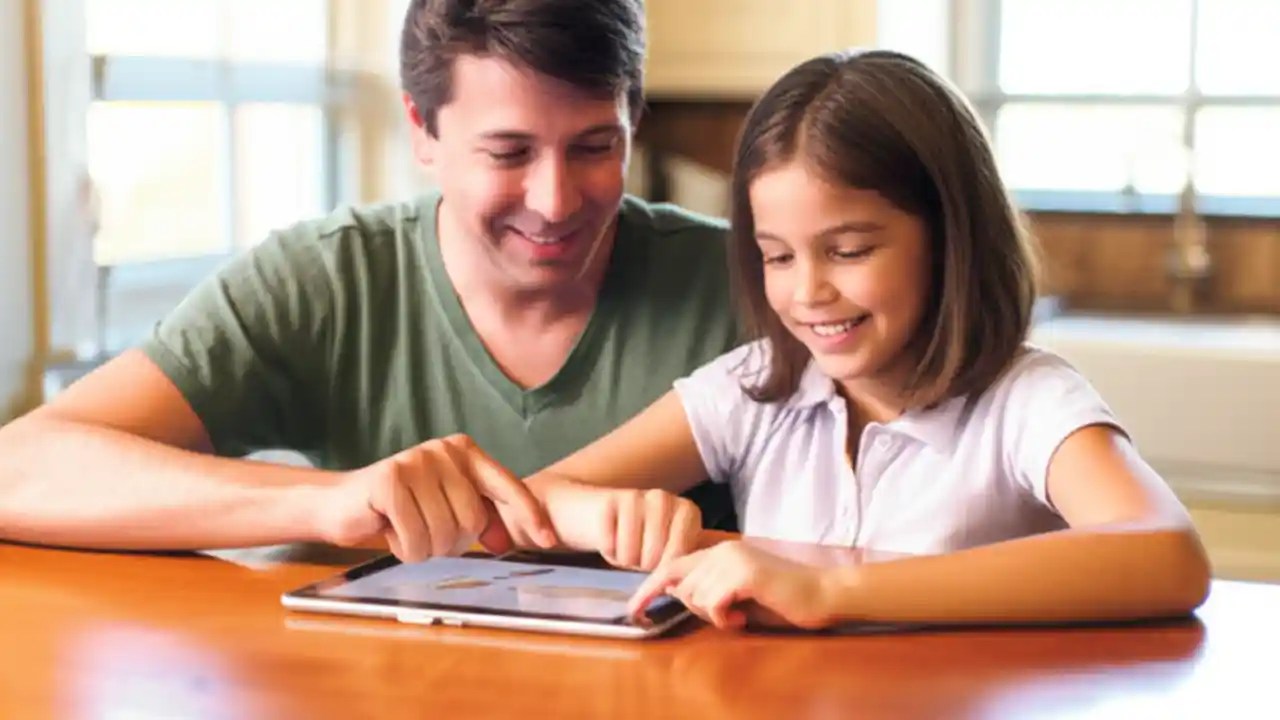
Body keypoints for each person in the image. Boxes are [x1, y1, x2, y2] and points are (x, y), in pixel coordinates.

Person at [0, 0, 737, 562]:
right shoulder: (327, 281)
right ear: (421, 128)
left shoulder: (751, 287)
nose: (555, 201)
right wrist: (332, 503)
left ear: (633, 119)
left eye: (594, 146)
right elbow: (18, 472)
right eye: (508, 153)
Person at [518, 49, 1212, 629]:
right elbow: (535, 500)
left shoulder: (1024, 400)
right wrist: (602, 512)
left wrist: (828, 590)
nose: (807, 292)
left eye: (848, 250)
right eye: (778, 256)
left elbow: (1167, 555)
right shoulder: (757, 386)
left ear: (948, 238)